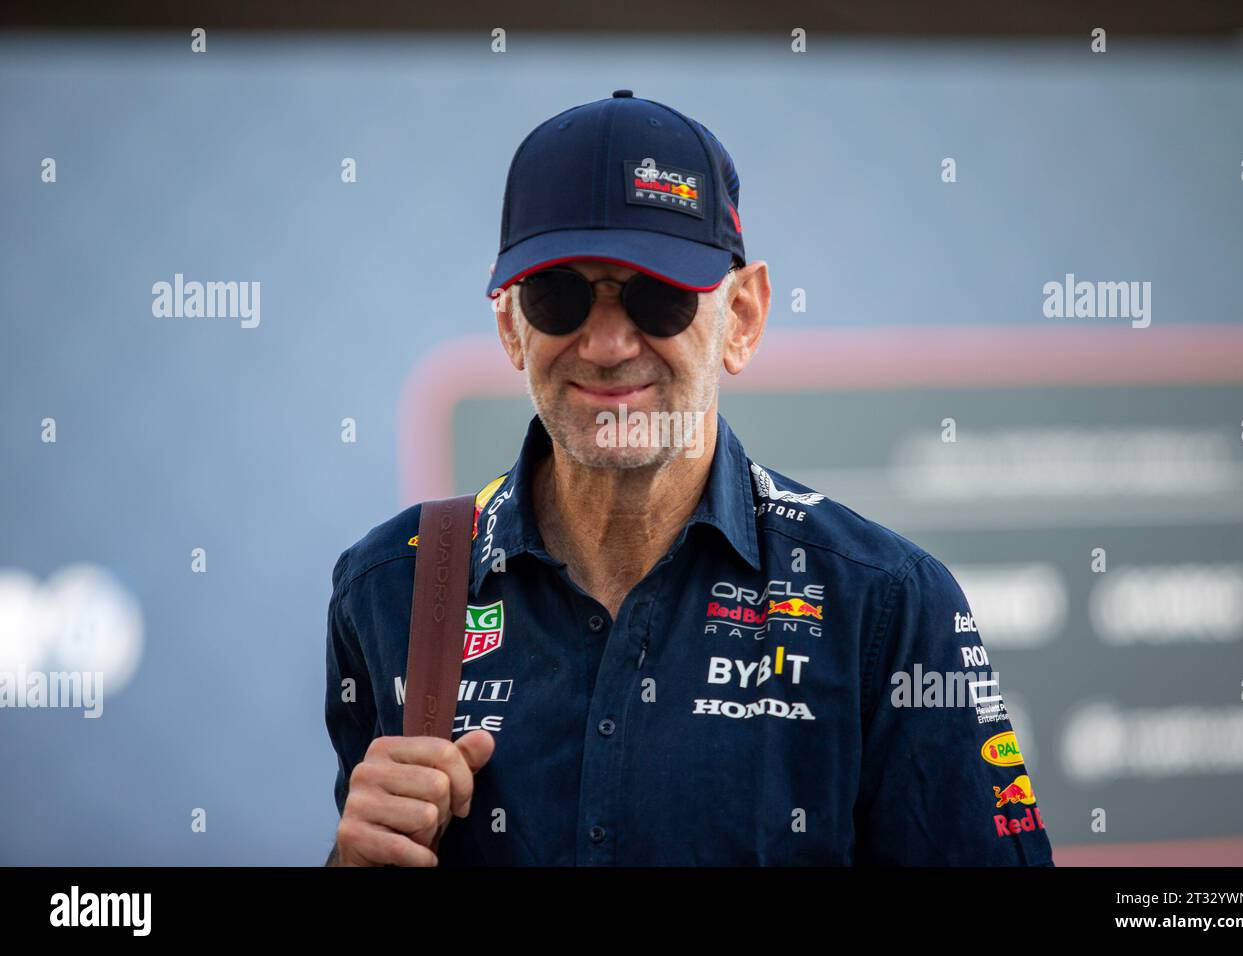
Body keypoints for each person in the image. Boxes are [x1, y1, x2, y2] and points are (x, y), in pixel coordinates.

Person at [324, 90, 1053, 866]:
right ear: (512, 324)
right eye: (558, 294)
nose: (606, 344)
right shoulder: (390, 587)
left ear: (742, 318)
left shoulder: (887, 604)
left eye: (660, 296)